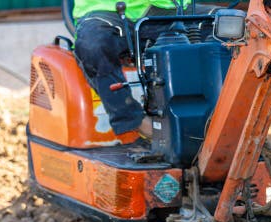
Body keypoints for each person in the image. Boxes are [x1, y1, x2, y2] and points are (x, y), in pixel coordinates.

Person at [72, 0, 189, 138]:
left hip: (166, 6)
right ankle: (133, 120)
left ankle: (209, 117)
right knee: (94, 45)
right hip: (106, 11)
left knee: (218, 23)